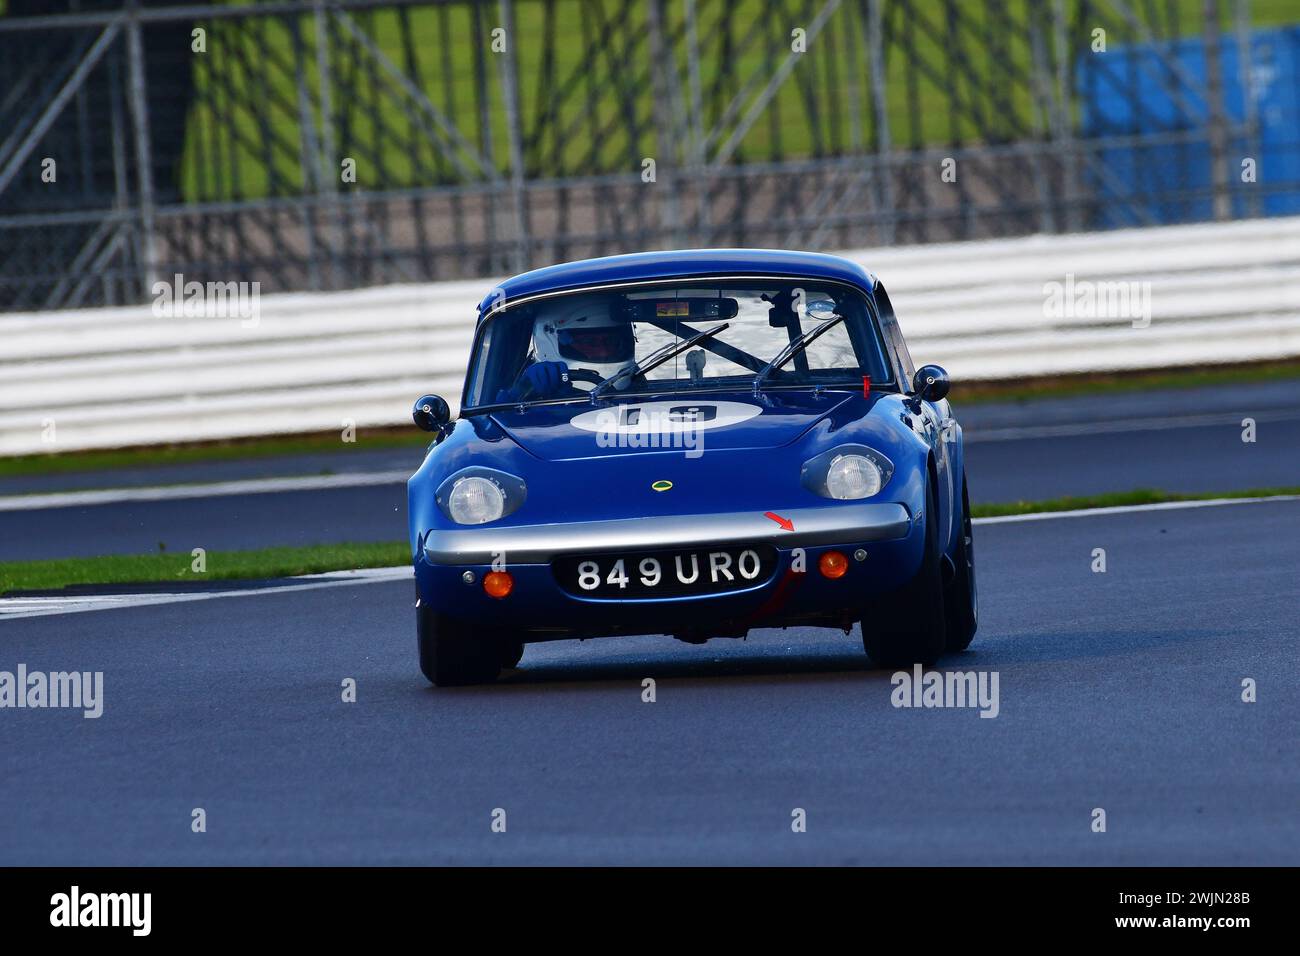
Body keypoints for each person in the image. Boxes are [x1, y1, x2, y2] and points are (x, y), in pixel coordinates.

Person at [496, 294, 639, 402]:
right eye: (589, 341)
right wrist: (518, 395)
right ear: (548, 339)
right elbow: (492, 426)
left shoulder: (642, 382)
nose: (604, 351)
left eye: (613, 340)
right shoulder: (526, 402)